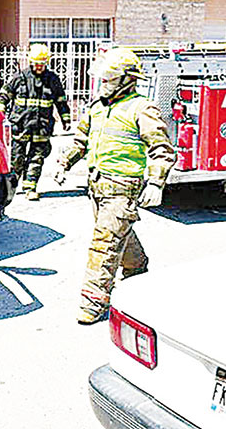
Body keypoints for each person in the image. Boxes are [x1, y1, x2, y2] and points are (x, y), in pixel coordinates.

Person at [57, 47, 177, 324]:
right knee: (115, 235)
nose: (103, 85)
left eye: (109, 80)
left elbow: (162, 149)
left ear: (127, 79)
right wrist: (64, 162)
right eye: (103, 79)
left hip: (122, 189)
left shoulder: (142, 108)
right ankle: (138, 268)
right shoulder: (98, 107)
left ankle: (93, 301)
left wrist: (156, 183)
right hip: (97, 187)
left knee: (104, 243)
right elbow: (81, 140)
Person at [0, 43, 71, 201]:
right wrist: (0, 111)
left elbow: (61, 101)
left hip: (42, 127)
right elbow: (4, 94)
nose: (39, 67)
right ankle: (12, 188)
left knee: (36, 158)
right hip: (20, 126)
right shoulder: (20, 78)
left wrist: (66, 119)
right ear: (31, 62)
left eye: (42, 64)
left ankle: (31, 188)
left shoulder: (52, 80)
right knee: (16, 158)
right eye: (37, 64)